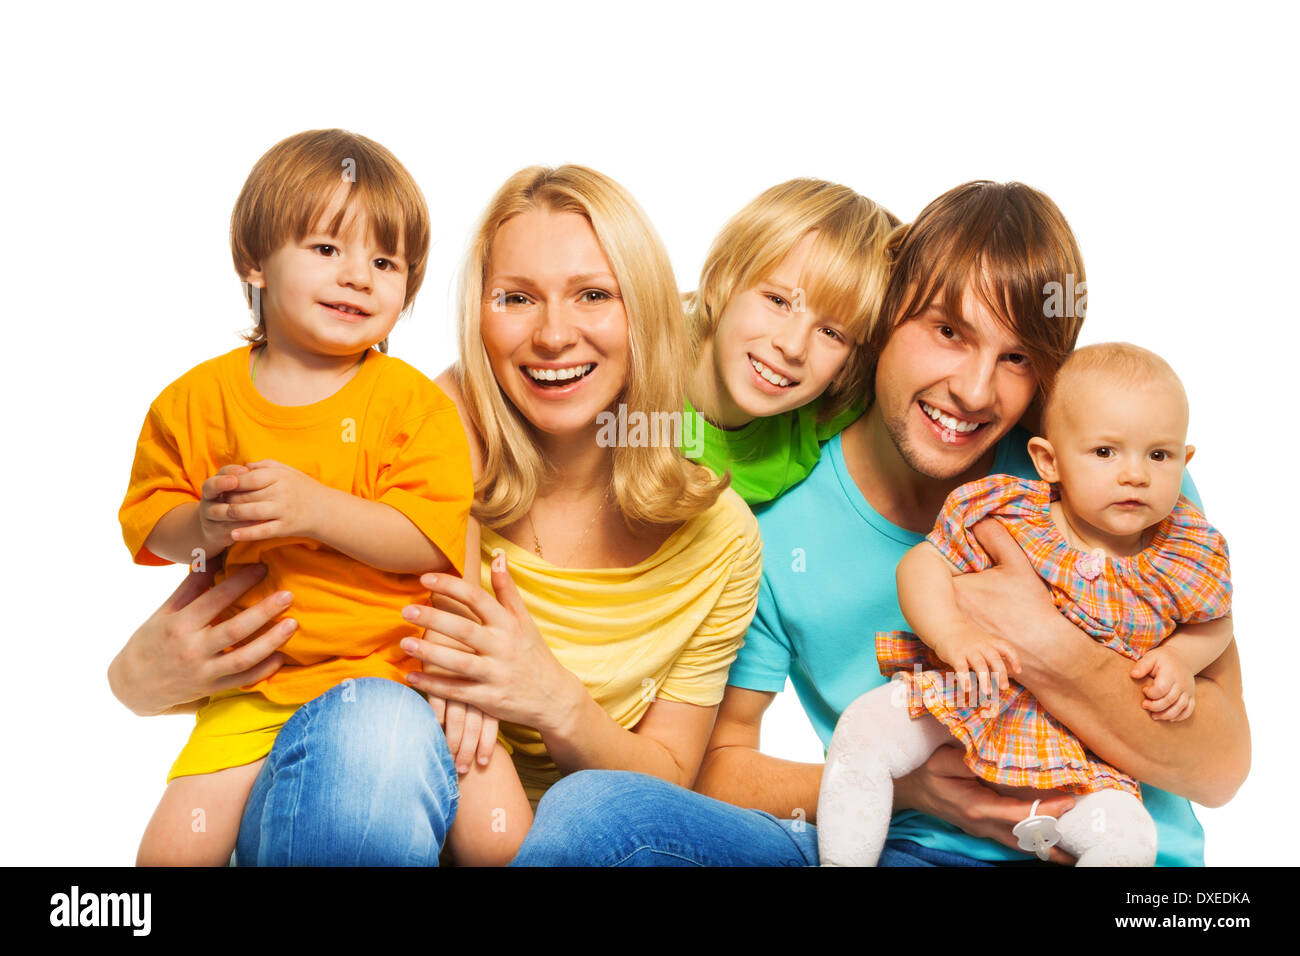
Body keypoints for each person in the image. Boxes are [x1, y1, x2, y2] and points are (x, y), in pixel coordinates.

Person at [510, 181, 1249, 866]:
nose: (973, 390)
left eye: (1017, 356)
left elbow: (1220, 769)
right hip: (889, 844)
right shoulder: (776, 514)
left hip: (1117, 849)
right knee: (594, 814)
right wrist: (908, 788)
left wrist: (1045, 642)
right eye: (949, 332)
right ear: (884, 321)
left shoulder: (1119, 476)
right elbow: (718, 763)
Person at [112, 163, 765, 866]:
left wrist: (549, 698)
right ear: (476, 312)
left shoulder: (720, 537)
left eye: (594, 295)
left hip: (564, 832)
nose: (552, 336)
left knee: (548, 823)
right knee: (377, 733)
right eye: (516, 297)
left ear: (648, 312)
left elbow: (666, 785)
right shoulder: (419, 427)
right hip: (344, 767)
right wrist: (134, 678)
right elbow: (236, 569)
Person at [116, 129, 475, 865]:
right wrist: (207, 524)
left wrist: (317, 510)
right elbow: (156, 531)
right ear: (253, 260)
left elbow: (430, 535)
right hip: (252, 683)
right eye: (326, 249)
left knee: (495, 829)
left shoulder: (413, 406)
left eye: (385, 261)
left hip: (393, 671)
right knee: (169, 853)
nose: (357, 277)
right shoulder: (196, 400)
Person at [817, 343, 1233, 866]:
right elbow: (922, 564)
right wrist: (951, 634)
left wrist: (1181, 659)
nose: (1135, 474)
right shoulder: (1011, 511)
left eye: (1159, 455)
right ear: (1048, 462)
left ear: (1185, 460)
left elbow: (1214, 624)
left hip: (1084, 755)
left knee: (1130, 838)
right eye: (1106, 452)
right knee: (863, 729)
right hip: (974, 694)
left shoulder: (1185, 549)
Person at [685, 179, 898, 504]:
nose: (794, 347)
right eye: (778, 301)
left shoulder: (815, 417)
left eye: (831, 333)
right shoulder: (633, 377)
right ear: (717, 285)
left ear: (849, 364)